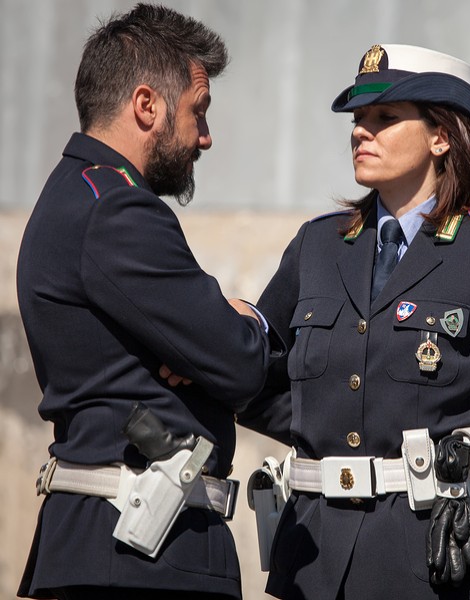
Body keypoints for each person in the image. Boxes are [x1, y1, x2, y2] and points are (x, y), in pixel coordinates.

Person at [238, 43, 470, 599]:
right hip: (314, 562)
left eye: (385, 118)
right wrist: (322, 429)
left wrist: (467, 447)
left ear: (441, 136)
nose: (361, 132)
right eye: (358, 119)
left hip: (438, 558)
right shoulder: (317, 244)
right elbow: (249, 380)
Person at [16, 4, 282, 599]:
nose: (205, 138)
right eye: (199, 113)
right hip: (142, 557)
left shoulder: (70, 197)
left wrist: (201, 345)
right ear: (147, 105)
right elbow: (238, 361)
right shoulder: (120, 210)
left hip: (102, 548)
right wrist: (245, 323)